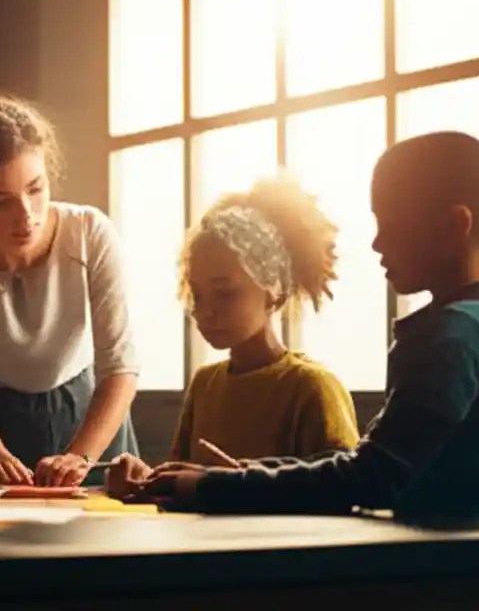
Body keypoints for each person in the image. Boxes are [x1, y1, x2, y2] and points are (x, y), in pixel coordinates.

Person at [141, 131, 479, 518]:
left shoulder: (459, 334)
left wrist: (212, 487)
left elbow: (371, 476)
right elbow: (367, 462)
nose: (377, 243)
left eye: (391, 225)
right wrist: (236, 476)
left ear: (454, 226)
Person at [0, 95, 140, 488]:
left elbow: (119, 364)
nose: (26, 216)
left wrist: (81, 456)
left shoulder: (89, 234)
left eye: (36, 189)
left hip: (92, 417)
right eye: (1, 202)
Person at [106, 176, 359, 497]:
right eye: (197, 295)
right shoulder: (205, 384)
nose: (205, 311)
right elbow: (182, 483)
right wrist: (143, 480)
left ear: (274, 290)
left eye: (225, 293)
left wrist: (237, 482)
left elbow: (344, 490)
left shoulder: (312, 387)